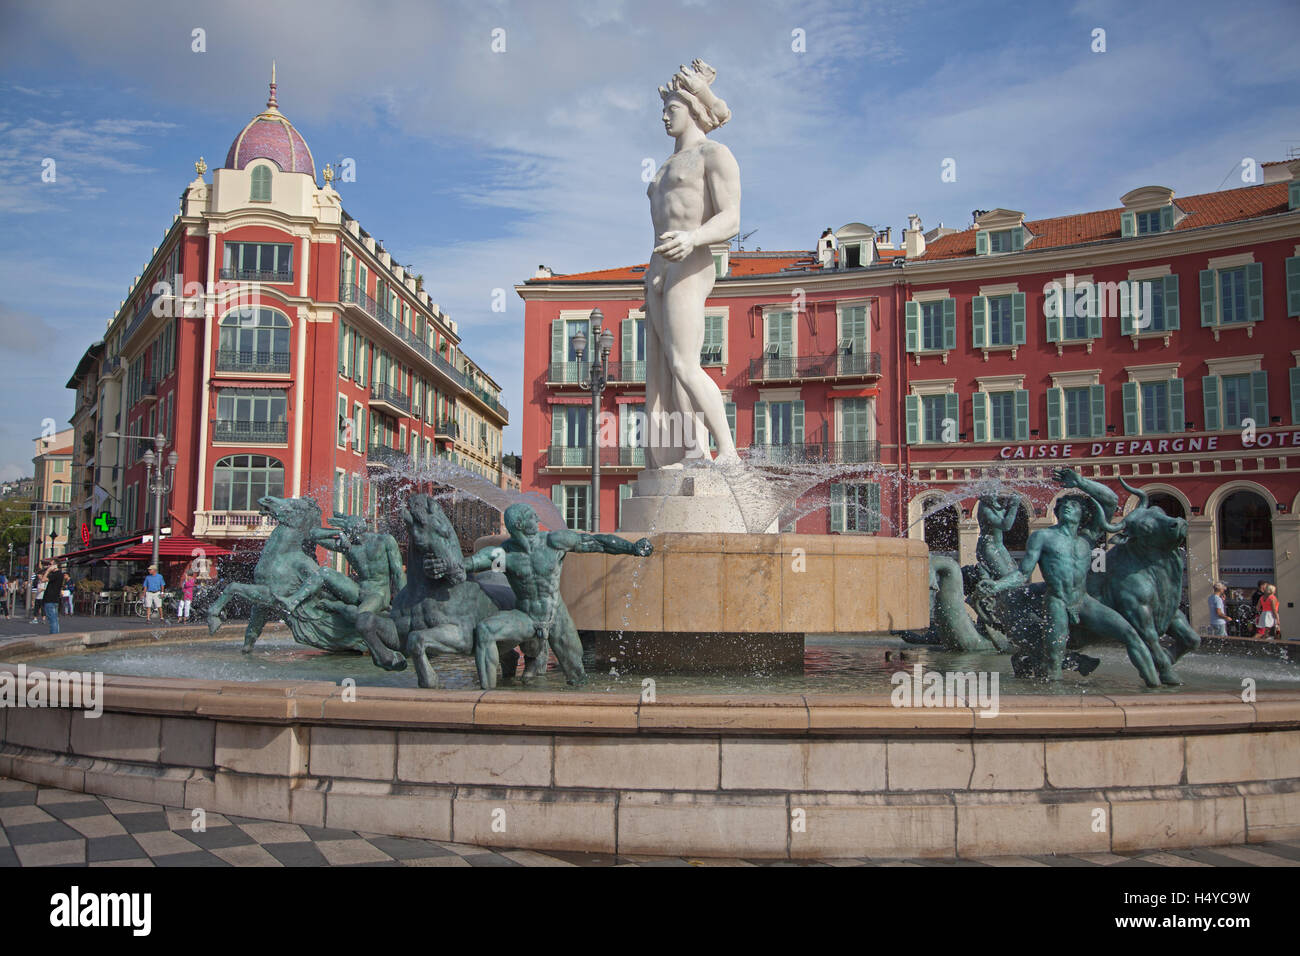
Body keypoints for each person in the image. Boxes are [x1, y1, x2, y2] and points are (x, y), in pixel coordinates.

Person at [643, 60, 741, 467]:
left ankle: (729, 451)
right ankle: (694, 450)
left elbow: (732, 217)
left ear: (692, 109)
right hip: (659, 268)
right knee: (670, 369)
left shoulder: (714, 154)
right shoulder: (664, 167)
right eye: (663, 109)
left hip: (691, 259)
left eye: (672, 109)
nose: (665, 116)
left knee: (685, 362)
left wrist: (693, 237)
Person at [41, 560, 63, 634]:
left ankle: (54, 635)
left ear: (55, 565)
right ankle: (56, 634)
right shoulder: (60, 574)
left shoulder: (56, 574)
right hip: (55, 599)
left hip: (50, 599)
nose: (49, 566)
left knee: (52, 620)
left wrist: (47, 571)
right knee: (55, 619)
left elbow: (43, 580)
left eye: (50, 564)